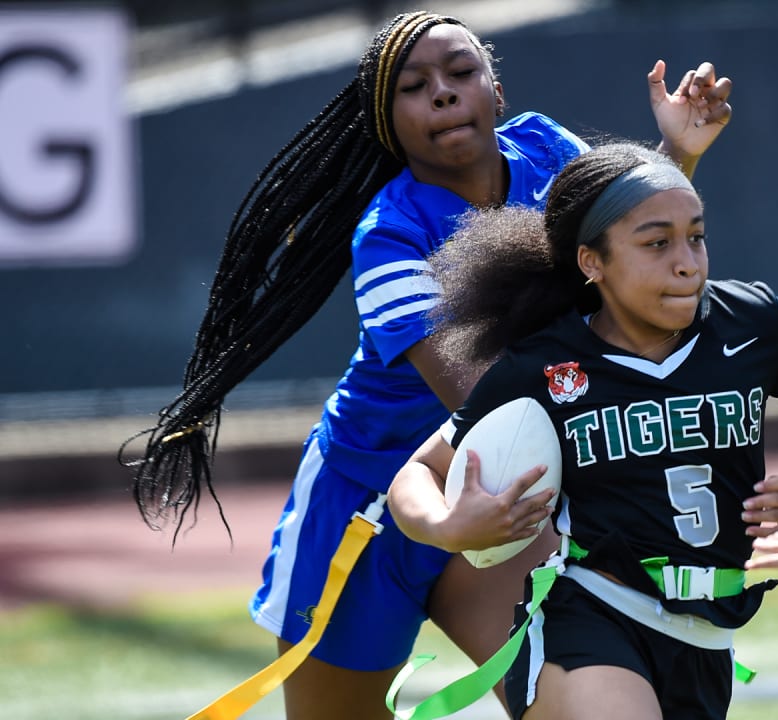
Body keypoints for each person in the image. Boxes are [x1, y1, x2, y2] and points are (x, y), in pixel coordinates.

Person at [121, 11, 739, 720]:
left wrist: (674, 151)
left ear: (495, 91)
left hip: (500, 484)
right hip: (369, 510)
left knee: (589, 706)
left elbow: (632, 244)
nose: (443, 94)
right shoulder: (390, 235)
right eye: (414, 86)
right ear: (387, 123)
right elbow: (479, 393)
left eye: (460, 72)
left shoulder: (546, 150)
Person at [386, 141, 778, 719]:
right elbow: (418, 474)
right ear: (592, 262)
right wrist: (448, 527)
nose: (688, 262)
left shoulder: (757, 322)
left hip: (708, 635)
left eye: (696, 236)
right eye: (656, 243)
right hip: (595, 611)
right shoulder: (545, 364)